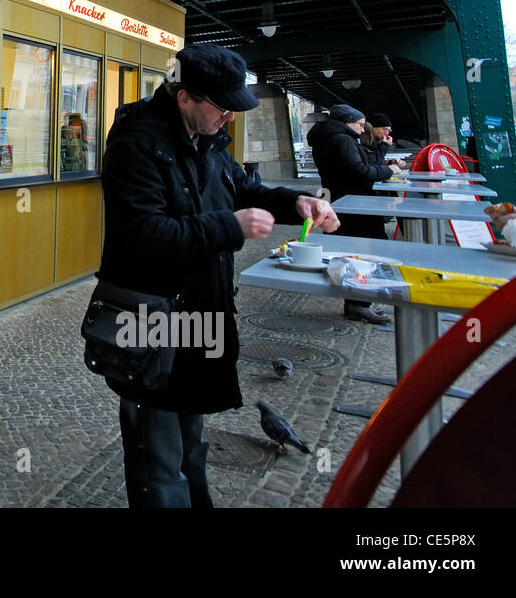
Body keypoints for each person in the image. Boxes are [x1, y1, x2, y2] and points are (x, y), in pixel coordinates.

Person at [98, 44, 338, 508]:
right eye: (222, 106)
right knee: (158, 449)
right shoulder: (136, 141)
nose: (229, 117)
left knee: (192, 438)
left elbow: (242, 187)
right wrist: (231, 226)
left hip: (198, 312)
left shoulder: (202, 136)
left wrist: (295, 203)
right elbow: (142, 232)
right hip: (152, 319)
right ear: (184, 95)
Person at [307, 103, 394, 323]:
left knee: (349, 252)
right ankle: (359, 303)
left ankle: (356, 302)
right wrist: (389, 170)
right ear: (347, 122)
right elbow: (359, 172)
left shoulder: (325, 138)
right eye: (360, 124)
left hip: (338, 200)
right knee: (368, 250)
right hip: (357, 205)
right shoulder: (343, 140)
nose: (363, 129)